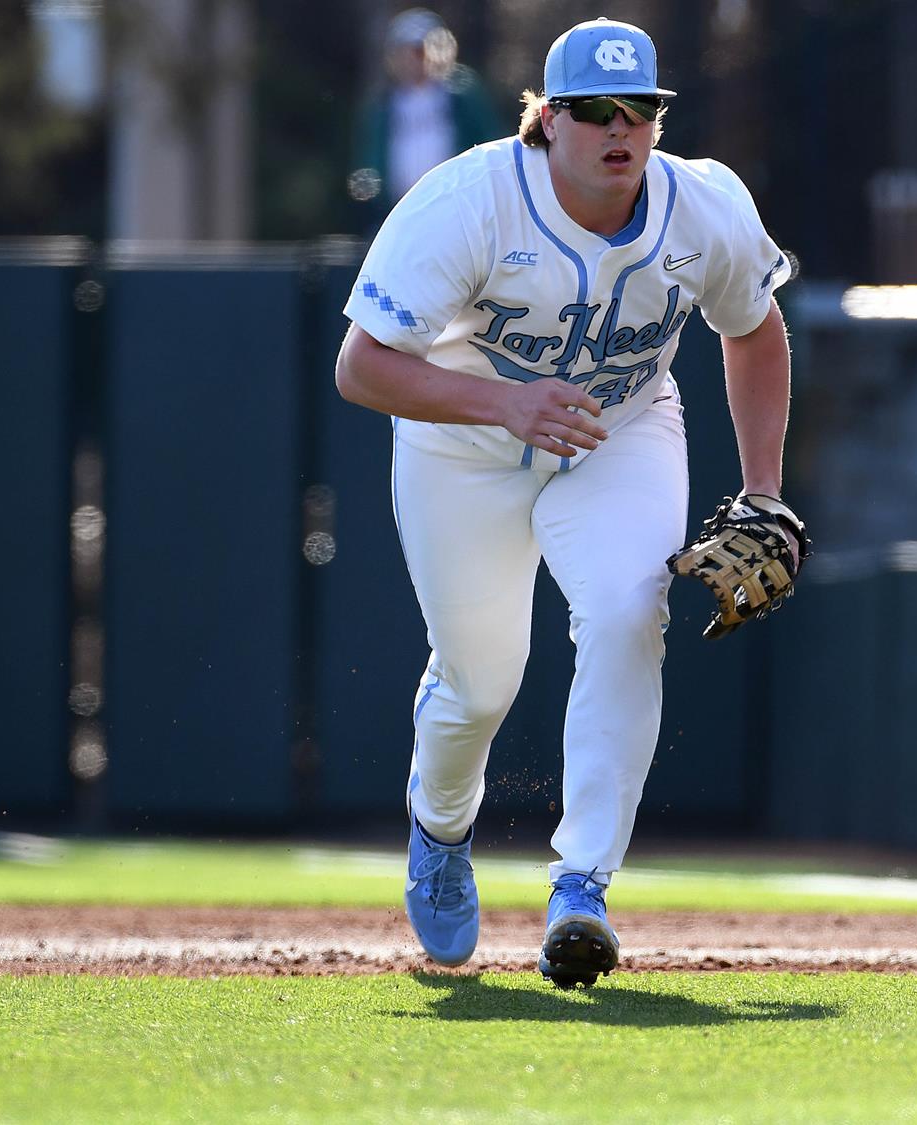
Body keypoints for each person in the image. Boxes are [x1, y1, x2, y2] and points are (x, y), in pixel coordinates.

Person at [333, 16, 795, 989]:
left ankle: (580, 885)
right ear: (544, 120)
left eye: (639, 110)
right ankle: (439, 826)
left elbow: (753, 329)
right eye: (591, 111)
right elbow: (361, 367)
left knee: (631, 613)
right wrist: (506, 401)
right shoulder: (466, 201)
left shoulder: (698, 206)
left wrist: (762, 490)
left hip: (618, 430)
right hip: (463, 441)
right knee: (478, 683)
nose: (617, 129)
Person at [348, 8, 504, 229]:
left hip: (458, 214)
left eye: (421, 51)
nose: (414, 60)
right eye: (407, 52)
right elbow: (371, 163)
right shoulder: (384, 106)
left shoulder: (463, 97)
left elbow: (487, 146)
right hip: (398, 213)